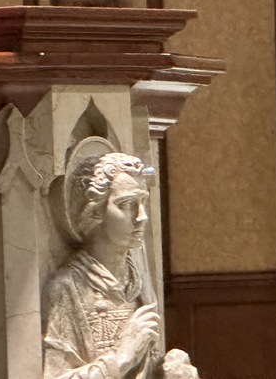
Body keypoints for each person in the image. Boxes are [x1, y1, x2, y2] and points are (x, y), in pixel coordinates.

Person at [43, 152, 199, 379]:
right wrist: (122, 357)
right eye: (126, 204)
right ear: (95, 211)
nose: (141, 216)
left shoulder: (138, 279)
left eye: (142, 202)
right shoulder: (67, 288)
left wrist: (171, 370)